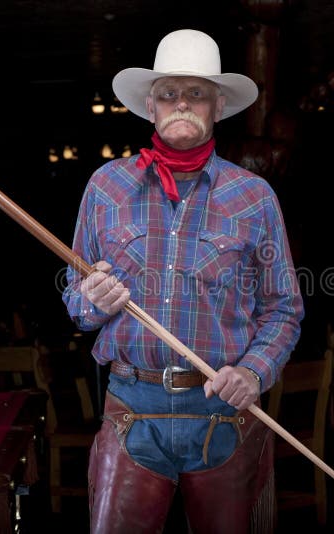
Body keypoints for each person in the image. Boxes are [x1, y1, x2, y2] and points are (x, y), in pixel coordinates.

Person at [62, 28, 304, 533]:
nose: (182, 104)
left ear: (218, 106)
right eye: (170, 93)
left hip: (221, 413)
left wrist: (254, 373)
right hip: (132, 409)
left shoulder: (253, 196)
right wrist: (92, 301)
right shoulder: (106, 186)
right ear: (150, 106)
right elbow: (75, 299)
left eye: (196, 93)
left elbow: (283, 308)